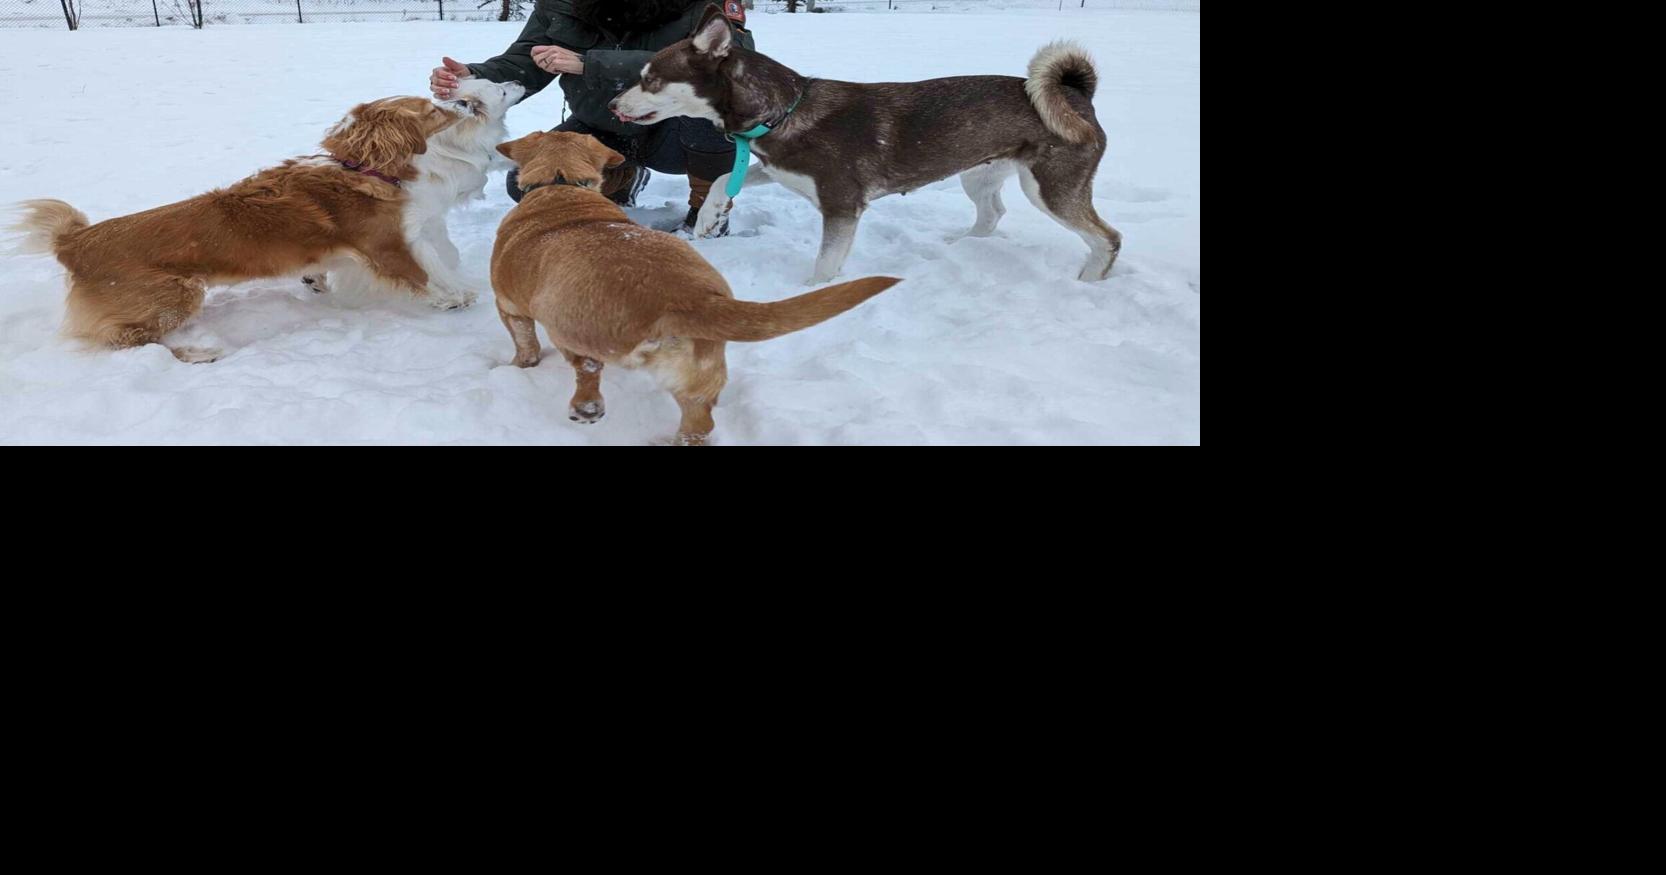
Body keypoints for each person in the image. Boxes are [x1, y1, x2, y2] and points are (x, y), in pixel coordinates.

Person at [430, 0, 754, 235]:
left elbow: (730, 65)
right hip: (601, 126)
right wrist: (475, 76)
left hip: (674, 132)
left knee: (713, 108)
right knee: (528, 185)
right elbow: (525, 59)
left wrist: (591, 64)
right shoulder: (560, 4)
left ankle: (709, 211)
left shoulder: (705, 6)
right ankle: (622, 176)